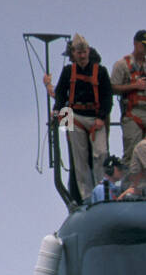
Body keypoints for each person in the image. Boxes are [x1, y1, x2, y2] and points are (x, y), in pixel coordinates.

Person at [48, 34, 112, 201]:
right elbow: (61, 94)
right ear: (74, 54)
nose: (82, 56)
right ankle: (87, 196)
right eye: (79, 53)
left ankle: (102, 193)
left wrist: (101, 117)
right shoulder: (68, 71)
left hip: (95, 118)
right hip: (74, 116)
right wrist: (57, 111)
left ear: (88, 52)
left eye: (84, 52)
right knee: (79, 158)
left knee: (101, 154)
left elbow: (107, 97)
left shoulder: (101, 71)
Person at [109, 29, 146, 165]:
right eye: (144, 45)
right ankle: (130, 183)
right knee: (132, 153)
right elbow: (112, 87)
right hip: (133, 112)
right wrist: (134, 86)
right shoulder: (122, 64)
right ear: (135, 43)